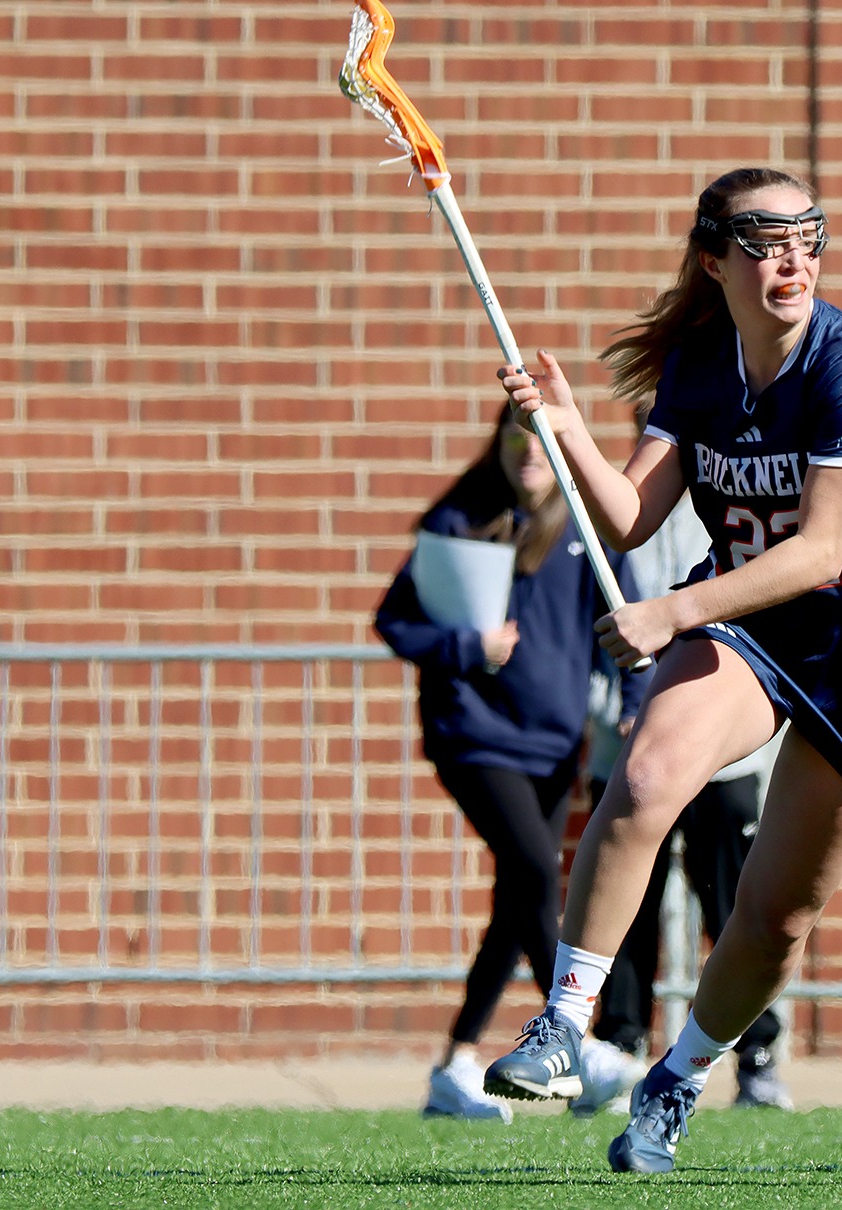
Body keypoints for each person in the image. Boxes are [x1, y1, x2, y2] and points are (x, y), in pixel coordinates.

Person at [480, 166, 842, 1175]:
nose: (791, 257)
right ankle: (566, 1022)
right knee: (644, 779)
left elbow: (823, 554)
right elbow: (633, 515)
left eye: (807, 236)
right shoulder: (697, 366)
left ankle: (678, 1077)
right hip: (752, 627)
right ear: (714, 259)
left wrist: (671, 609)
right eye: (763, 239)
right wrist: (566, 427)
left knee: (775, 918)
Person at [373, 405, 650, 1125]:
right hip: (474, 736)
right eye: (514, 441)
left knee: (516, 899)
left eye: (541, 444)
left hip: (554, 745)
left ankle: (456, 1063)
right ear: (497, 445)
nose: (527, 457)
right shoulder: (461, 517)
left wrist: (635, 694)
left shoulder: (584, 529)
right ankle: (576, 1043)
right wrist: (469, 648)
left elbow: (625, 617)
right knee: (533, 871)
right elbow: (394, 620)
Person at [572, 494, 793, 1117]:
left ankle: (756, 1057)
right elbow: (588, 627)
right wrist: (619, 702)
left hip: (728, 752)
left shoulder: (737, 500)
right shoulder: (615, 513)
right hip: (627, 744)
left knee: (737, 901)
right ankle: (619, 1047)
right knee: (627, 900)